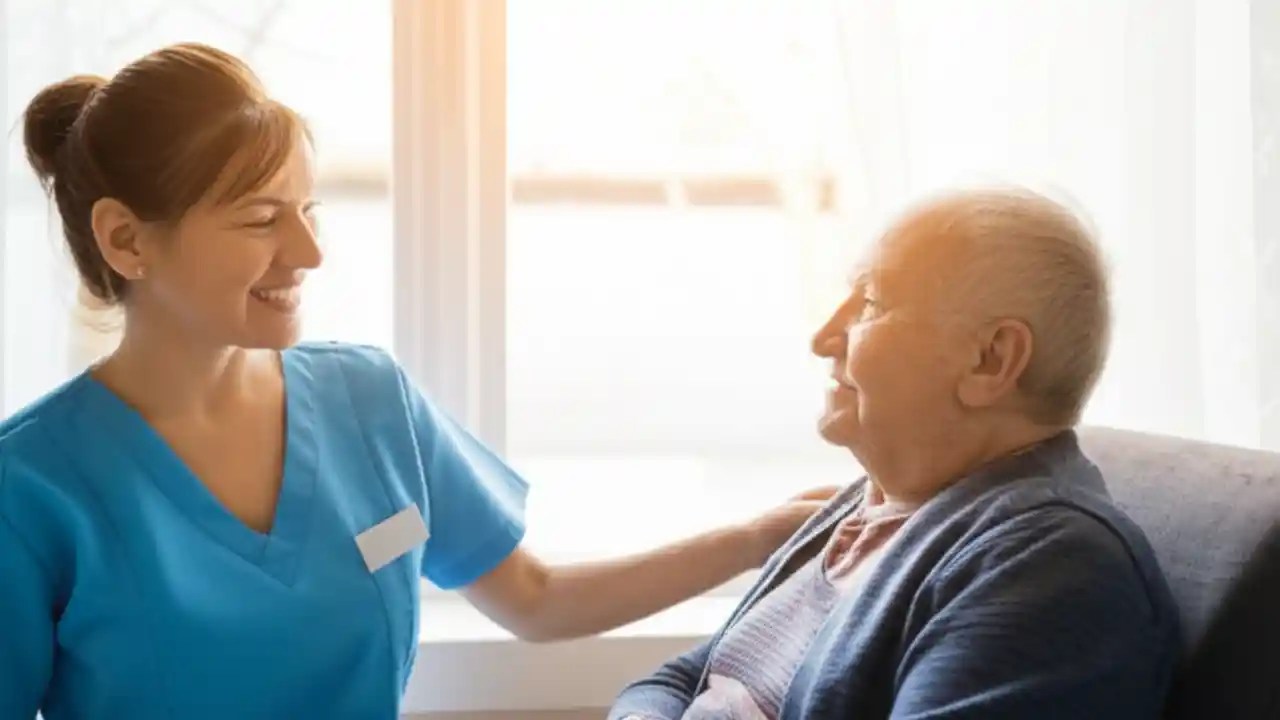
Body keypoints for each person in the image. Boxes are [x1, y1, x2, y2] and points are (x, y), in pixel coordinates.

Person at [0, 43, 835, 720]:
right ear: (126, 240)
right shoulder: (29, 489)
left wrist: (755, 539)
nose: (309, 253)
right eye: (260, 219)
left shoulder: (370, 401)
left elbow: (536, 599)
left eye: (309, 210)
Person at [610, 188, 1182, 719]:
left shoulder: (1049, 563)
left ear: (990, 360)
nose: (824, 338)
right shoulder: (874, 508)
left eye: (869, 303)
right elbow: (680, 681)